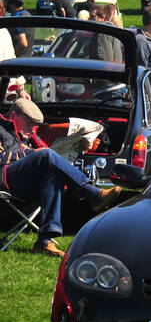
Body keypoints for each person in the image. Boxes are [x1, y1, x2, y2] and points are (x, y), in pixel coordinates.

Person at [0, 96, 124, 256]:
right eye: (30, 123)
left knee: (52, 176)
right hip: (5, 177)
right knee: (45, 155)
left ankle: (45, 241)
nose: (33, 129)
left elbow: (49, 154)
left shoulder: (28, 136)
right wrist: (30, 153)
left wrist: (80, 146)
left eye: (36, 125)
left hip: (23, 184)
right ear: (14, 116)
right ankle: (92, 194)